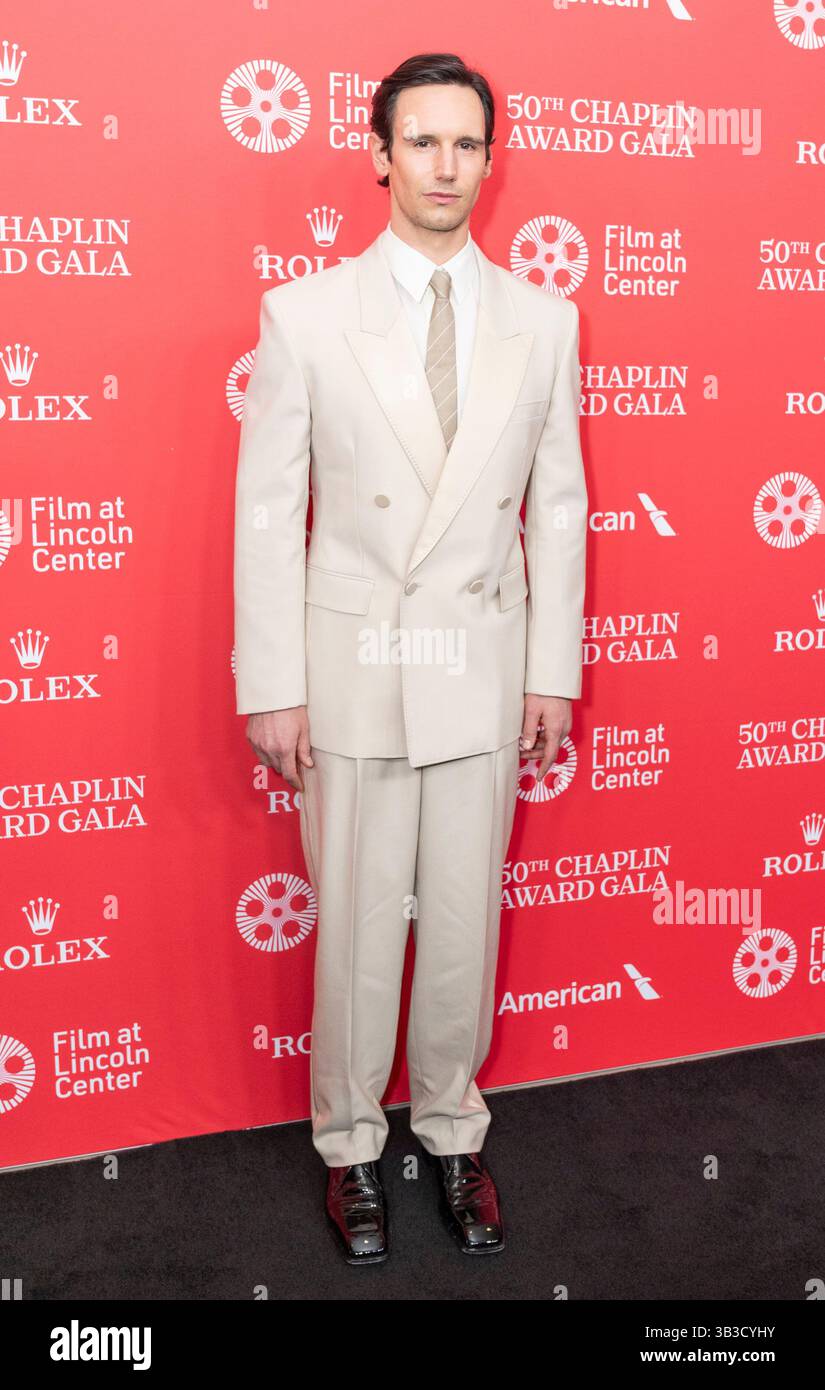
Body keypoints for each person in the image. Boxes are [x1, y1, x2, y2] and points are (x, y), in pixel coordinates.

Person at [233, 51, 587, 1265]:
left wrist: (553, 670)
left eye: (467, 144)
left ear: (493, 160)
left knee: (463, 929)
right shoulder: (305, 313)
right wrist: (271, 680)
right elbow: (271, 512)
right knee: (360, 924)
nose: (446, 166)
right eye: (422, 142)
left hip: (483, 664)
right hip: (353, 667)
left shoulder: (548, 321)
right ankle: (347, 1144)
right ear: (380, 154)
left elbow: (560, 506)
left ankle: (450, 1128)